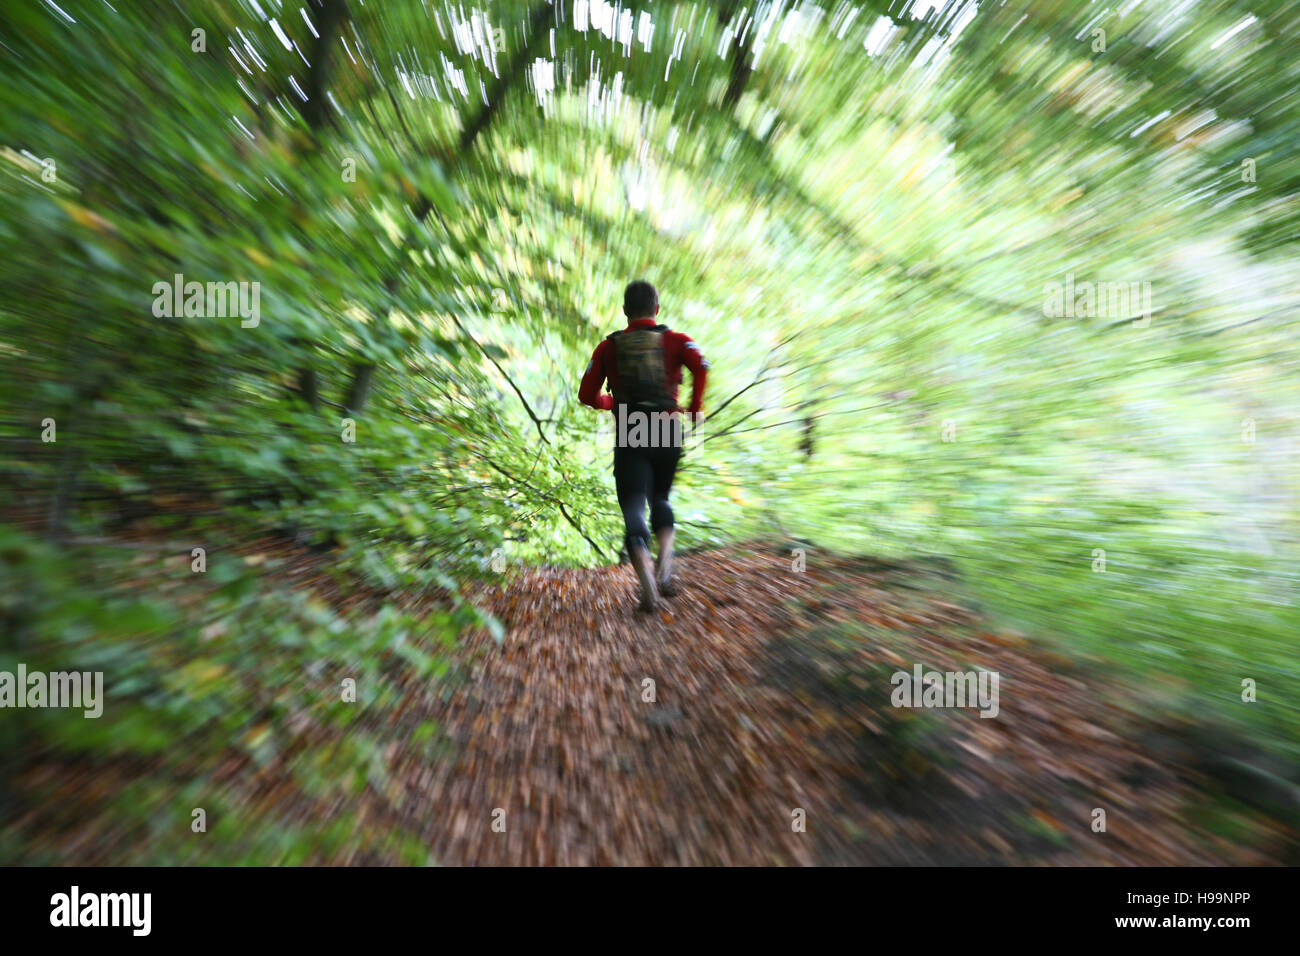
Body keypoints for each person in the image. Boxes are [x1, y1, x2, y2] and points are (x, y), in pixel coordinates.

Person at [579, 280, 709, 612]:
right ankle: (665, 564)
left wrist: (609, 403)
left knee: (634, 506)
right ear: (657, 309)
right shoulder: (677, 340)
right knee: (661, 498)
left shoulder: (608, 348)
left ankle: (647, 584)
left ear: (625, 312)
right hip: (667, 427)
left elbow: (586, 395)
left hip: (631, 431)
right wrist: (695, 408)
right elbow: (702, 365)